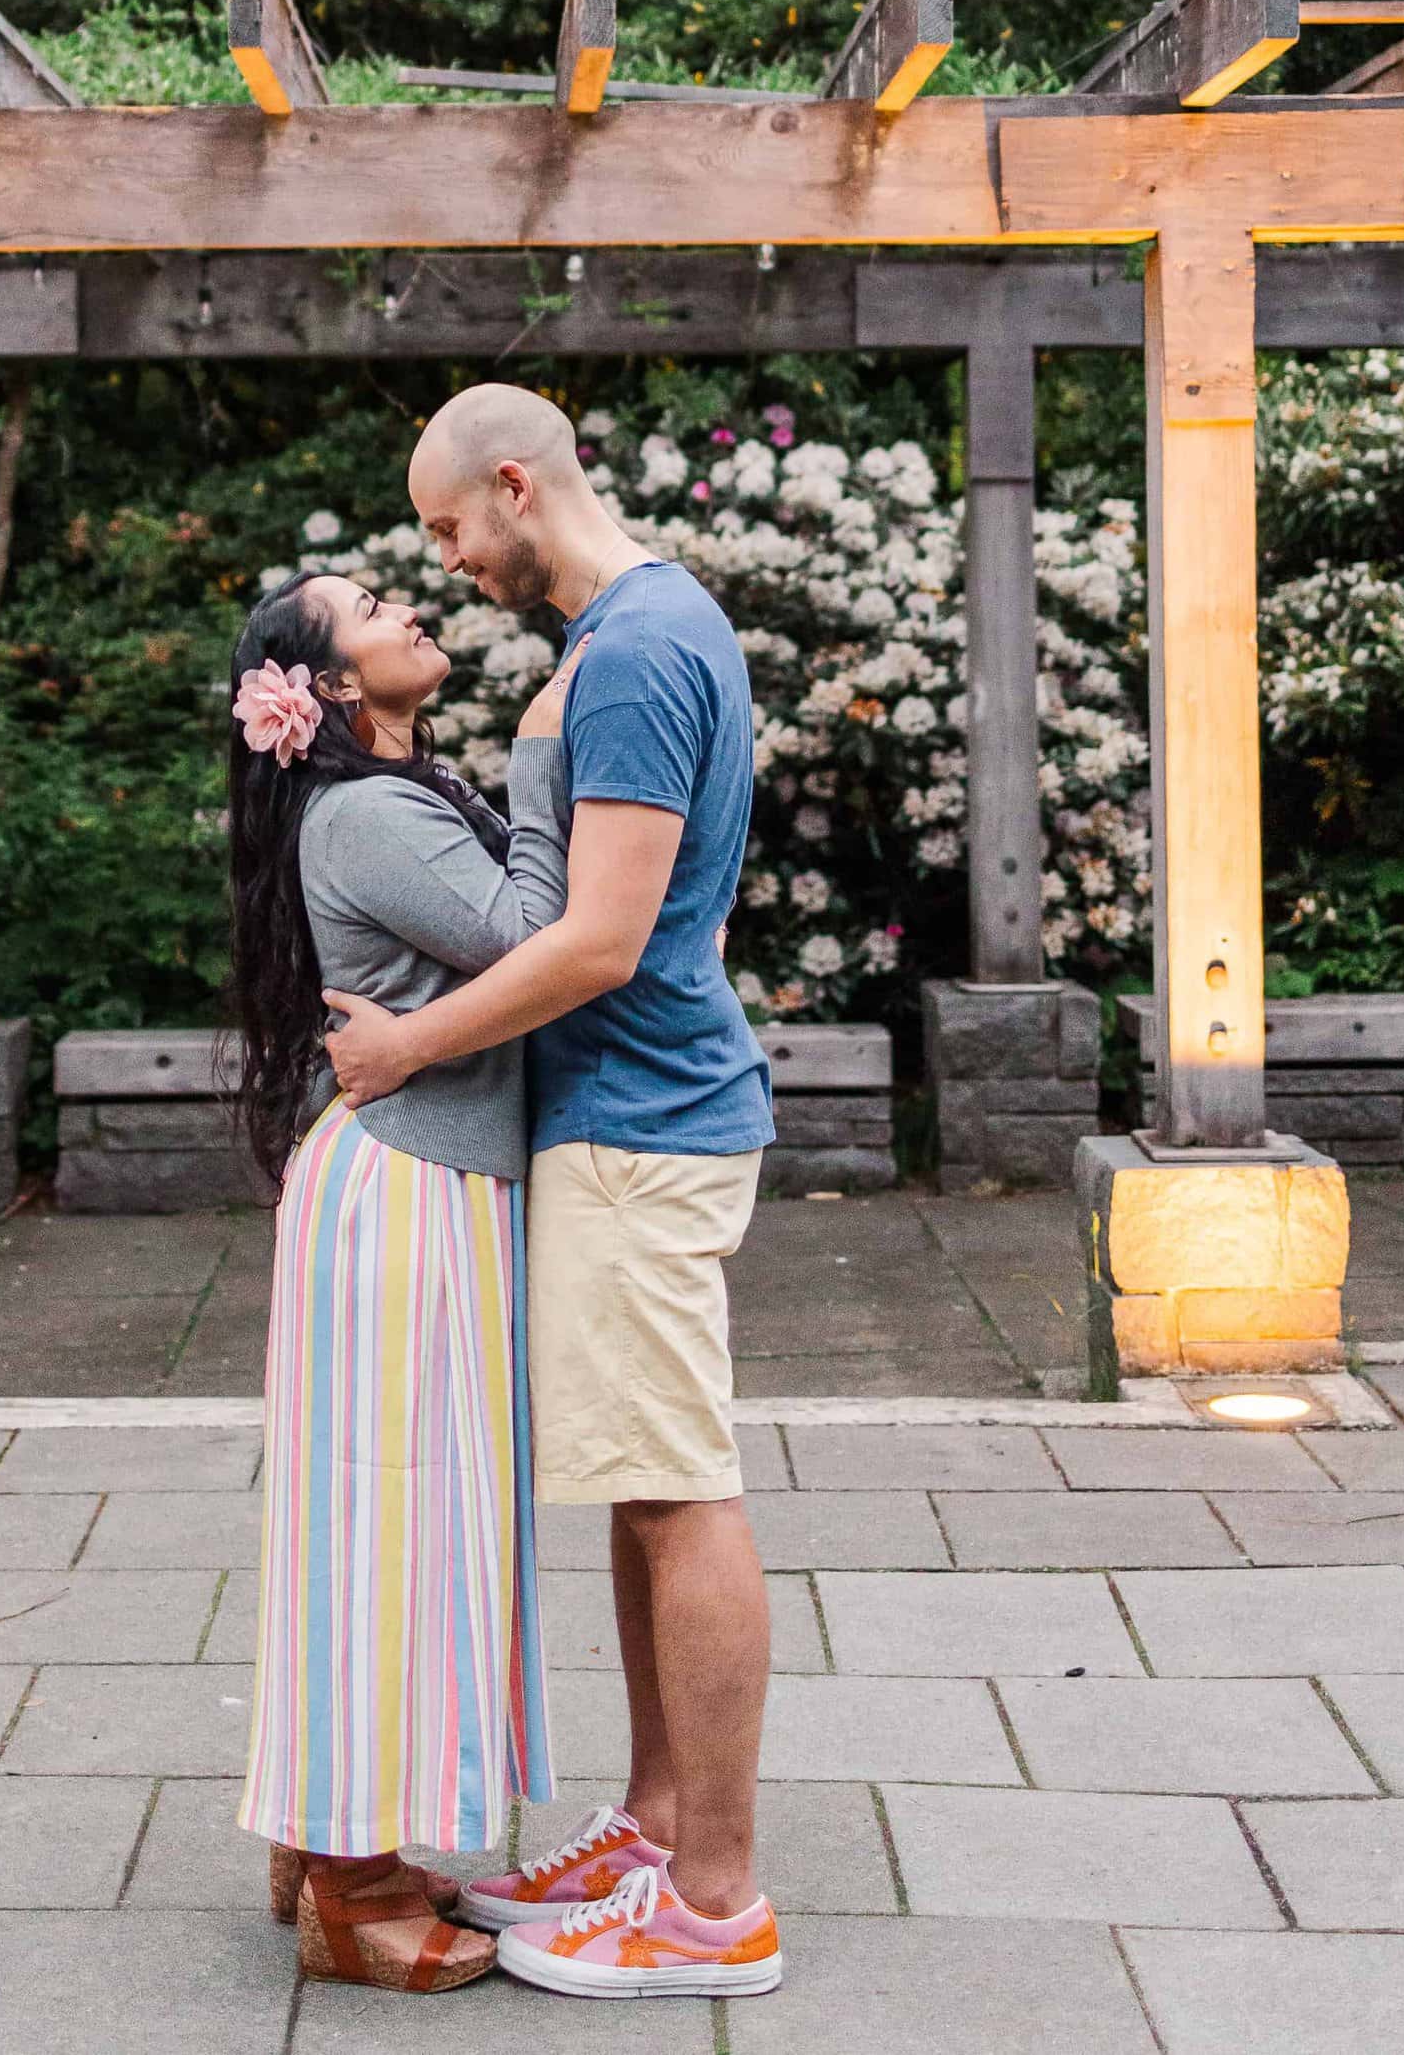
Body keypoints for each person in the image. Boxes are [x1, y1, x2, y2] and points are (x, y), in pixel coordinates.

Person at [325, 383, 784, 2004]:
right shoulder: (630, 638)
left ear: (517, 485)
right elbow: (680, 916)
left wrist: (403, 1048)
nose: (446, 560)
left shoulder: (645, 646)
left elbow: (598, 936)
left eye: (451, 526)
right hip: (624, 1111)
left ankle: (714, 1905)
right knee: (640, 1488)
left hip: (645, 1120)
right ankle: (656, 1830)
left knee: (679, 1487)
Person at [225, 564, 571, 1996]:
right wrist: (552, 757)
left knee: (402, 1518)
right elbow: (530, 937)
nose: (412, 610)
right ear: (334, 685)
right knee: (391, 1520)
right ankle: (357, 1894)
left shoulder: (392, 798)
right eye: (373, 608)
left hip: (422, 1183)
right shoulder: (366, 814)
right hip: (407, 1195)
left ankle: (337, 1843)